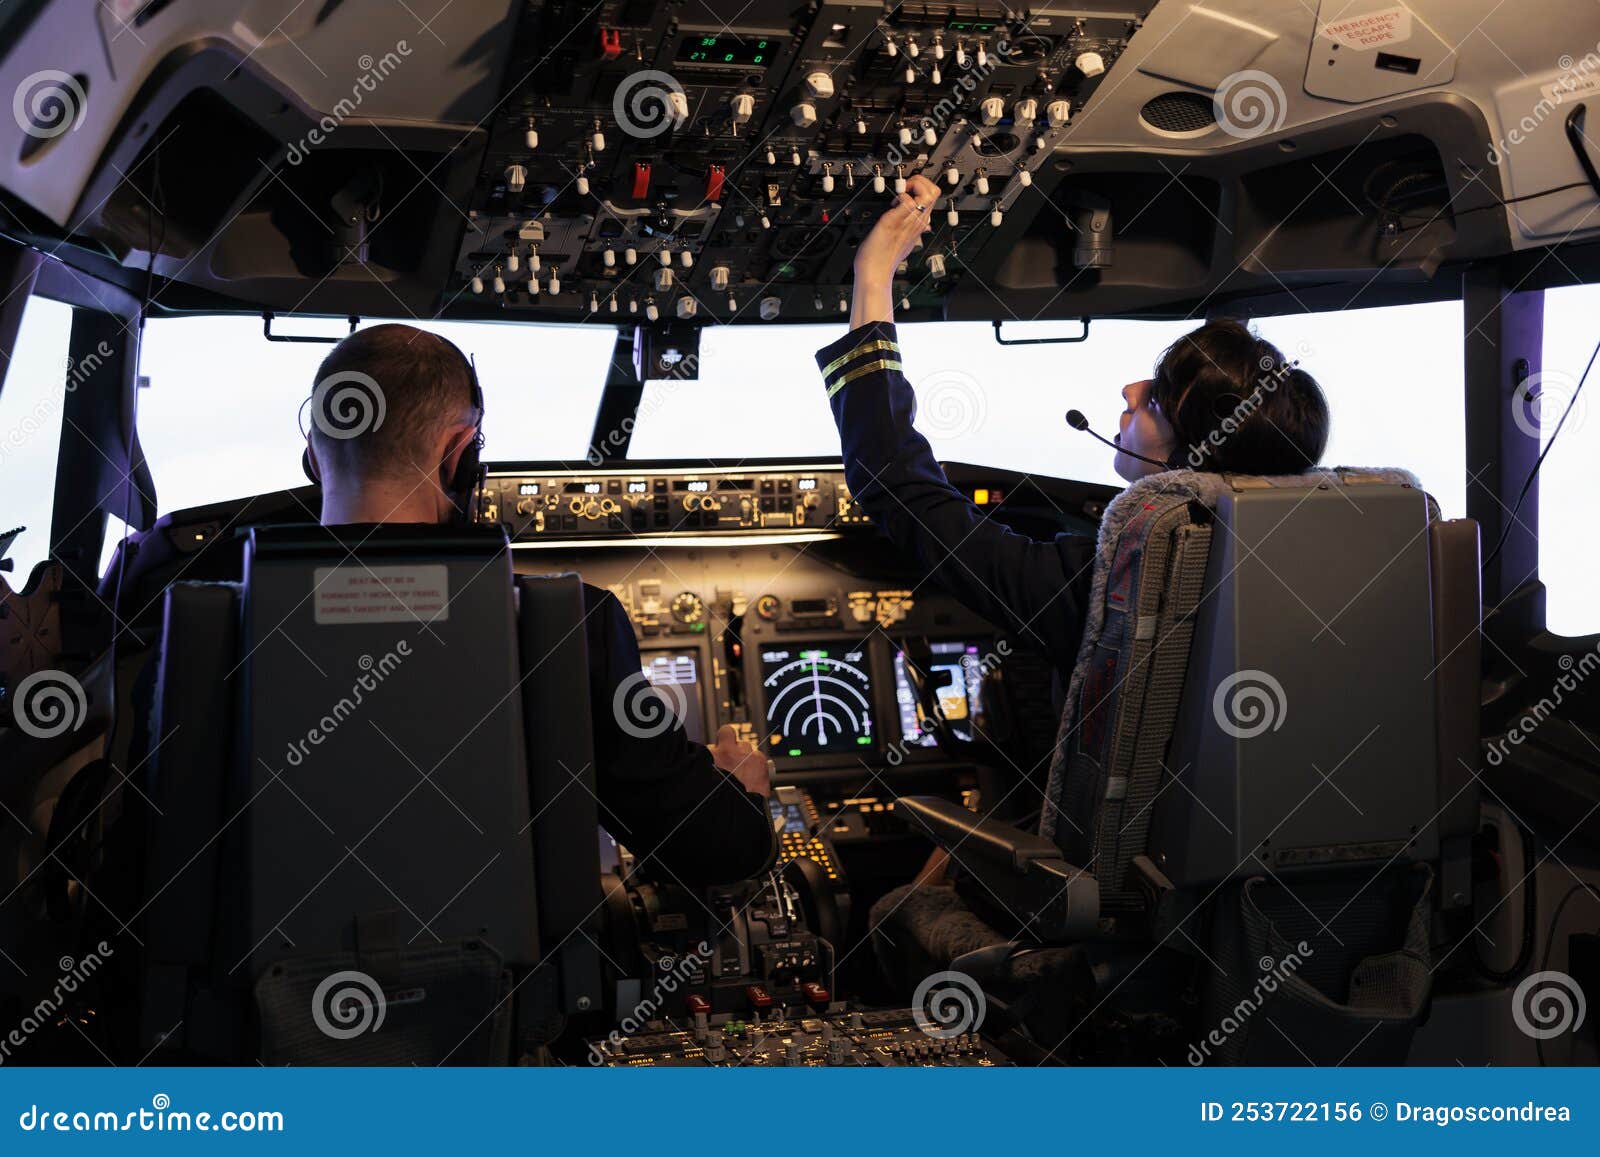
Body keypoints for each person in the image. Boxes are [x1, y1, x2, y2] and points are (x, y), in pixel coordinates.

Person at [304, 323, 775, 885]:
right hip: (516, 972)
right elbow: (719, 848)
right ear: (459, 455)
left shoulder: (214, 612)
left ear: (313, 453)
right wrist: (740, 784)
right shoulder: (563, 624)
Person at [817, 173, 1332, 681]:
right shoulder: (1309, 580)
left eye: (1156, 399)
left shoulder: (1116, 587)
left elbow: (895, 482)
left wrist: (875, 270)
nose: (1132, 391)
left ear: (1191, 463)